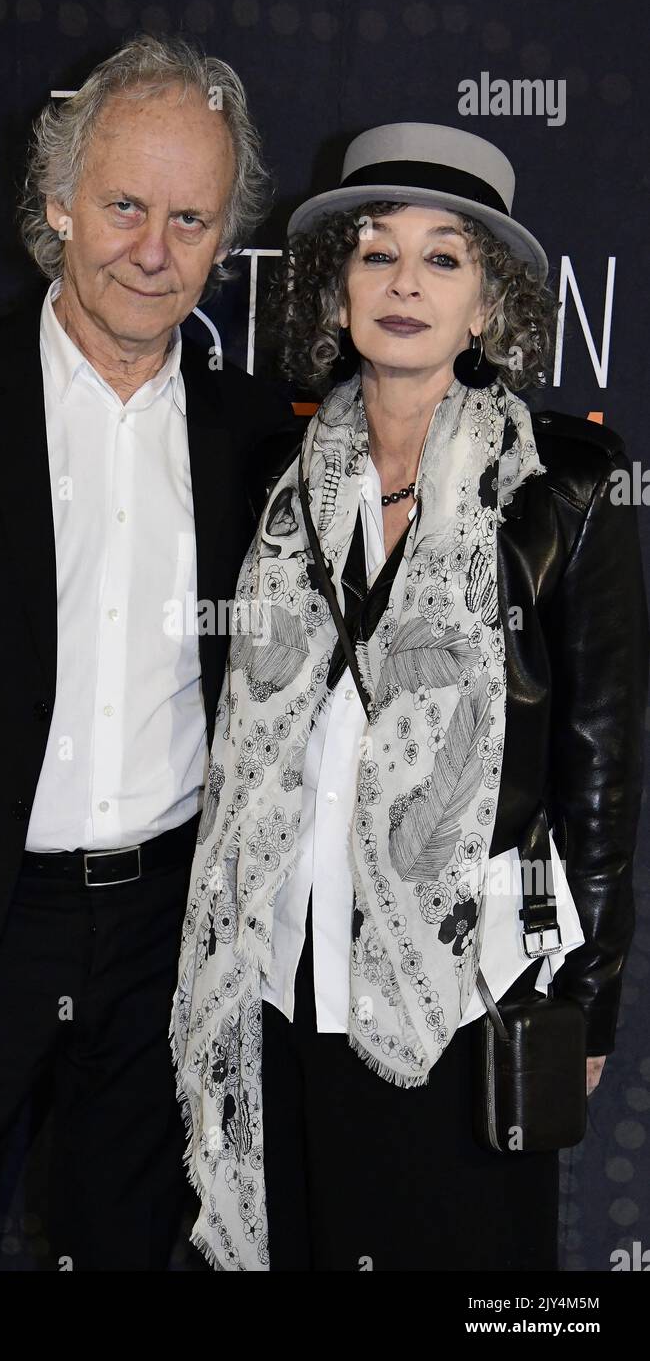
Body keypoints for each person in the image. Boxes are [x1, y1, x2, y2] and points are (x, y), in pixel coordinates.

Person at [0, 32, 302, 1271]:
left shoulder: (256, 432)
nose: (151, 249)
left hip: (162, 938)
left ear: (222, 239)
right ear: (56, 203)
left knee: (124, 1248)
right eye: (124, 205)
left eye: (189, 219)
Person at [171, 122, 649, 1271]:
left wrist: (584, 996)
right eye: (375, 251)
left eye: (443, 258)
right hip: (283, 970)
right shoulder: (272, 479)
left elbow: (600, 764)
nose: (403, 283)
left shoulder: (563, 483)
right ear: (334, 291)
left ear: (487, 305)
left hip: (469, 983)